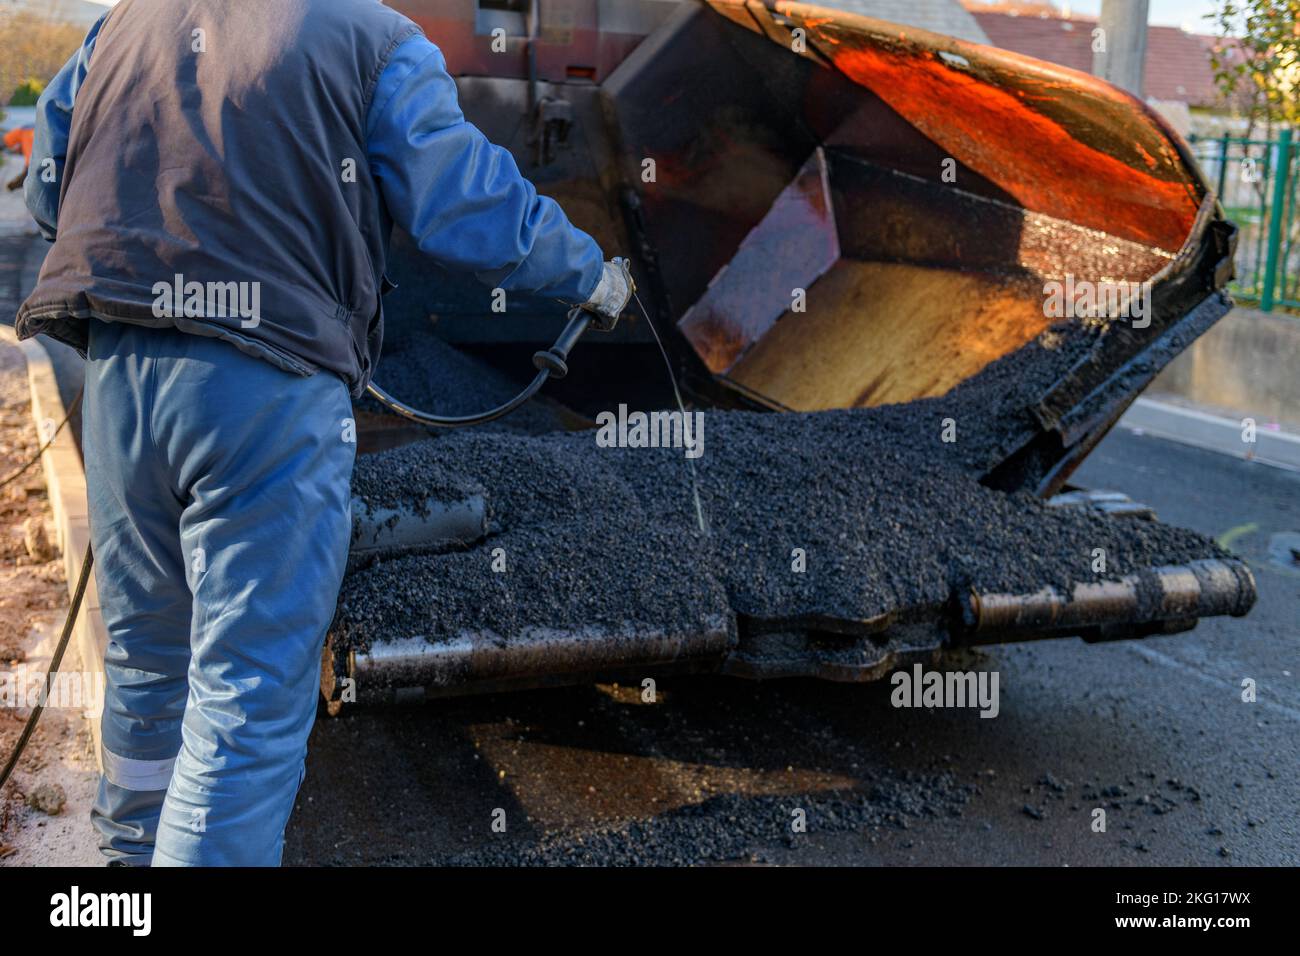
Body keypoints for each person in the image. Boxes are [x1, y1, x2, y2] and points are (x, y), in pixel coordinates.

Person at [16, 0, 632, 867]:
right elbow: (461, 202)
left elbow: (48, 185)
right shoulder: (372, 36)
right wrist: (584, 272)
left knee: (147, 665)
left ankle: (127, 874)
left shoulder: (117, 24)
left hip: (122, 373)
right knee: (246, 700)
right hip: (266, 381)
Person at [3, 124, 34, 191]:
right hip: (42, 159)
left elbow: (6, 140)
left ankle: (10, 187)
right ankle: (11, 186)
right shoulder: (36, 129)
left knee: (26, 177)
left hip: (31, 161)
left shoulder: (23, 130)